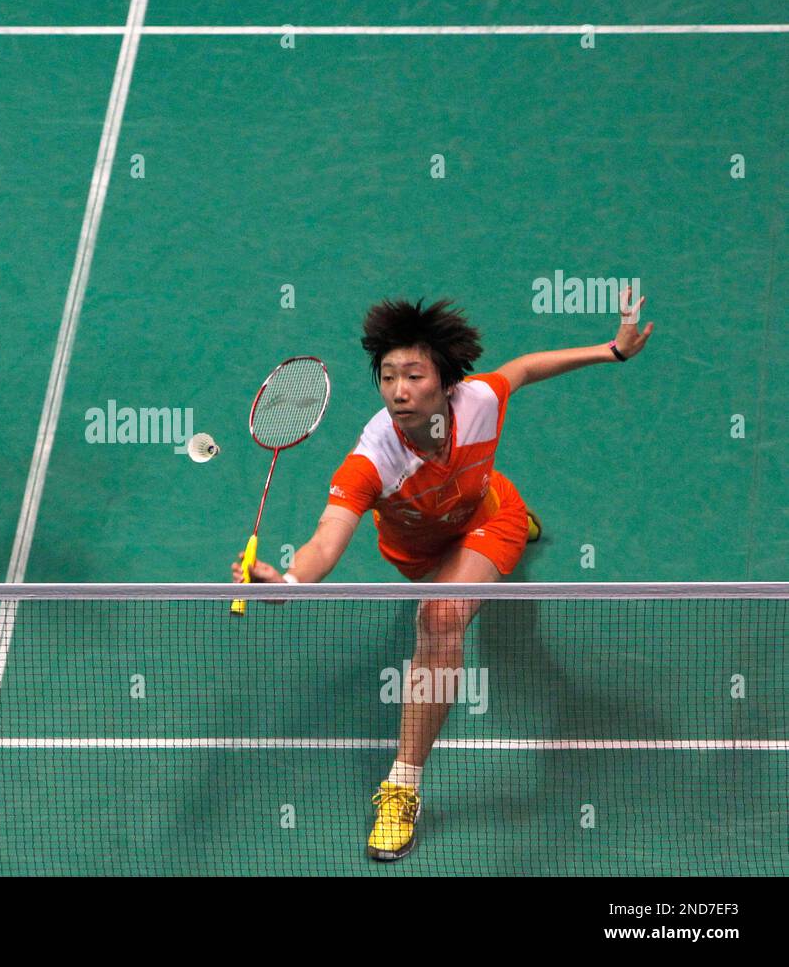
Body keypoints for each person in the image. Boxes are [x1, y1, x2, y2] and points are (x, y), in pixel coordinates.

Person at [231, 291, 653, 859]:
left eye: (413, 375)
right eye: (387, 377)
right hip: (422, 557)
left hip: (488, 518)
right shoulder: (371, 461)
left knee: (441, 616)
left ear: (445, 381)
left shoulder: (477, 400)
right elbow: (325, 541)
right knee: (436, 593)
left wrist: (614, 350)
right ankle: (490, 552)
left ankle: (401, 784)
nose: (399, 391)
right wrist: (286, 585)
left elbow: (523, 368)